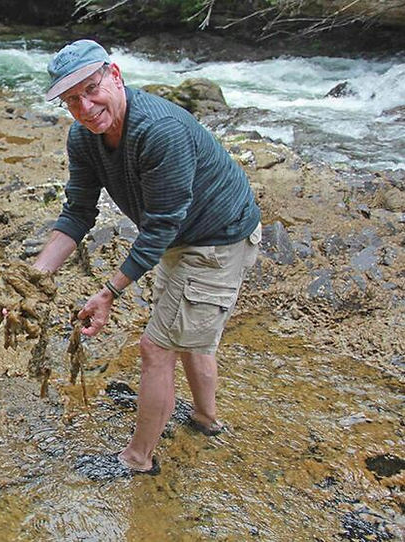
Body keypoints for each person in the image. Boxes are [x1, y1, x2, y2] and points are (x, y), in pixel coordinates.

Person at [32, 39, 261, 474]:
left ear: (115, 76)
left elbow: (160, 227)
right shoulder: (83, 137)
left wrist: (108, 292)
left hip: (218, 239)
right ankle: (206, 418)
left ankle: (137, 459)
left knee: (156, 348)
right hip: (185, 236)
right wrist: (33, 279)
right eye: (72, 100)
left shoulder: (159, 131)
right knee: (185, 332)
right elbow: (77, 213)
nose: (85, 107)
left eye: (91, 89)